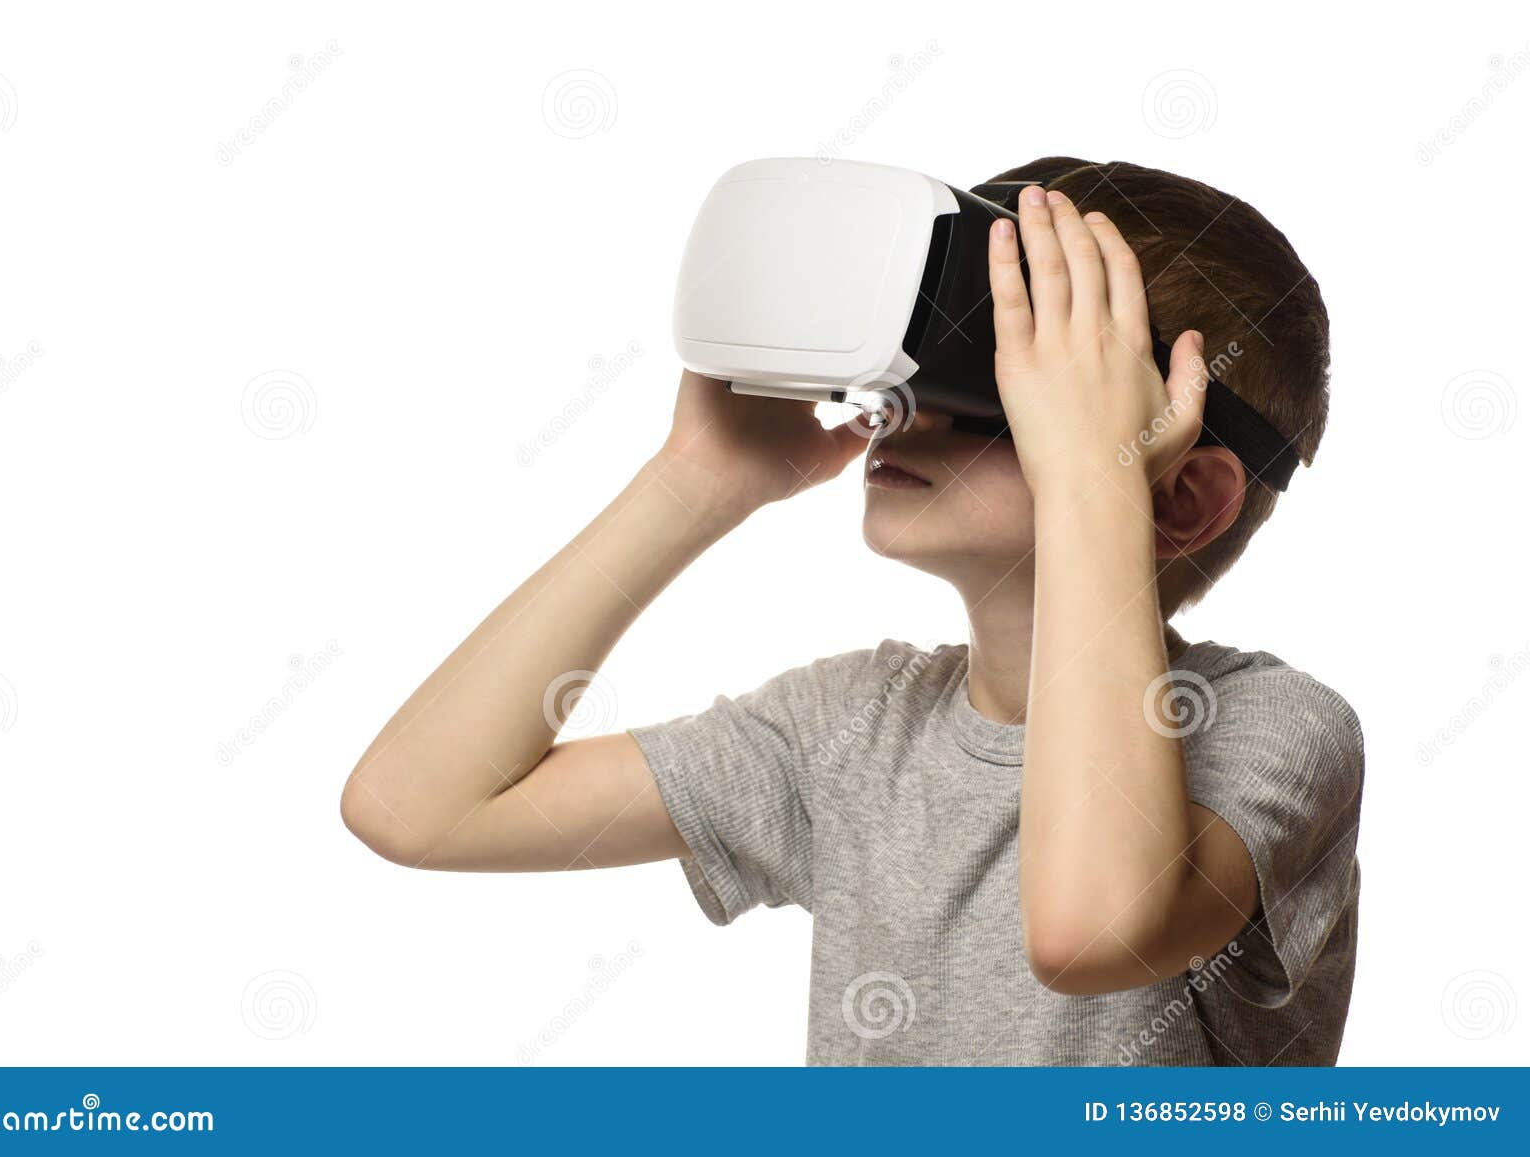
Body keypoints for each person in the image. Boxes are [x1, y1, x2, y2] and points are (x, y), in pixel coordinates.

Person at [340, 158, 1364, 1066]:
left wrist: (1094, 481)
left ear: (1182, 497)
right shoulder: (855, 726)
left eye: (1004, 392)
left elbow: (1089, 931)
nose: (902, 409)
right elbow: (417, 808)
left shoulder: (1272, 725)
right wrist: (695, 481)